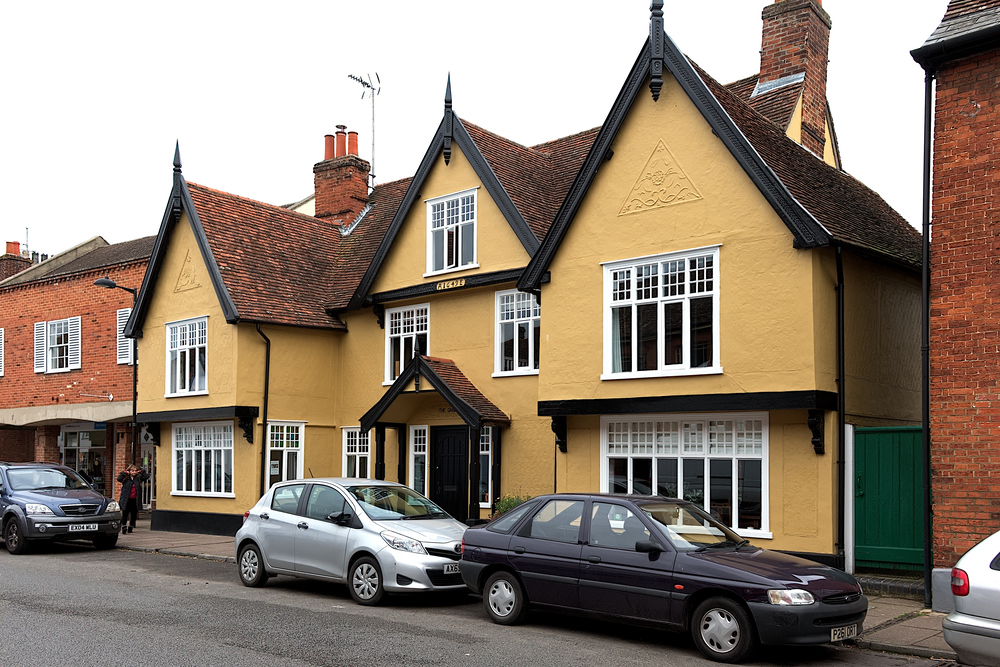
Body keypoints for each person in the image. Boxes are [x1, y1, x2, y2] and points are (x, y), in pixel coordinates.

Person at [117, 464, 149, 534]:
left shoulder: (138, 478)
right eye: (132, 470)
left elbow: (146, 476)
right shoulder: (126, 478)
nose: (134, 472)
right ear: (129, 471)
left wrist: (141, 471)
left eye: (135, 471)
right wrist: (124, 472)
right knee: (125, 513)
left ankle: (131, 527)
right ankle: (124, 526)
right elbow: (119, 478)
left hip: (135, 499)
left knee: (133, 514)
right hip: (126, 499)